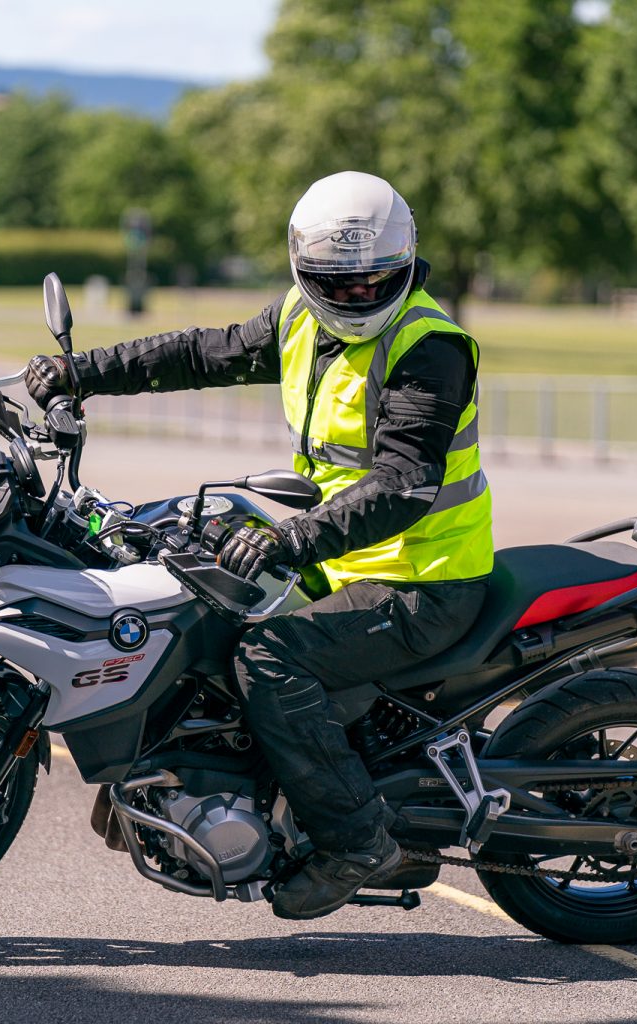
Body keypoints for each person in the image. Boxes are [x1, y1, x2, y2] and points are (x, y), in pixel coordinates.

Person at [26, 170, 493, 919]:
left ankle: (357, 843)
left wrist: (293, 540)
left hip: (423, 579)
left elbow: (405, 480)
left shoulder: (429, 346)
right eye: (335, 285)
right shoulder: (300, 321)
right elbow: (198, 353)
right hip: (340, 562)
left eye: (375, 283)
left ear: (405, 263)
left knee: (270, 657)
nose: (356, 300)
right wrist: (84, 373)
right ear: (303, 271)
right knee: (192, 600)